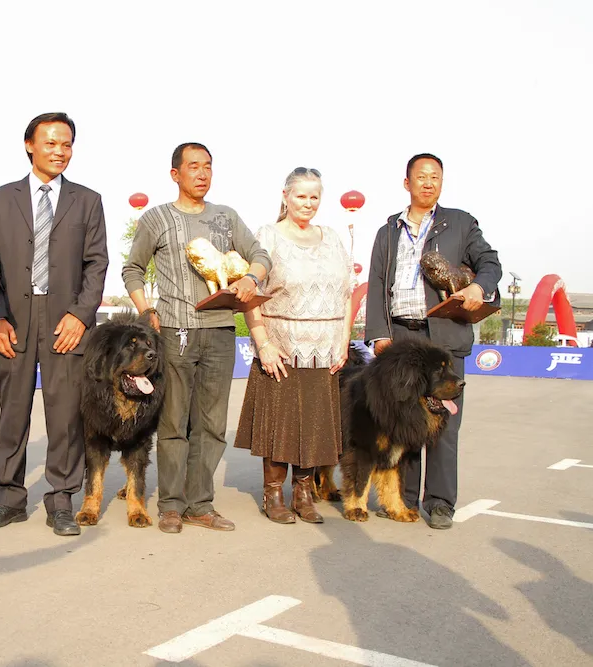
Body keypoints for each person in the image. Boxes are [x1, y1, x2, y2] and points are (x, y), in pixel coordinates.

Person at [122, 143, 271, 534]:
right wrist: (146, 310)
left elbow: (260, 254)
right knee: (174, 422)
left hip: (222, 331)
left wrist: (251, 278)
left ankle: (200, 504)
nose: (202, 174)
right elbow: (133, 269)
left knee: (211, 423)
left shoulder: (226, 217)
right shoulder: (156, 218)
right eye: (193, 167)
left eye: (207, 167)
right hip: (175, 332)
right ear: (175, 174)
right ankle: (171, 505)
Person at [0, 112, 108, 537]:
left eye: (66, 144)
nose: (59, 151)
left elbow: (96, 264)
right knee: (12, 411)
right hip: (14, 317)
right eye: (50, 142)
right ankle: (9, 499)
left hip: (64, 319)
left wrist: (80, 315)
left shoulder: (88, 200)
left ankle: (62, 500)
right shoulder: (1, 198)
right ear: (30, 145)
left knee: (65, 413)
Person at [365, 153, 501, 529]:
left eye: (435, 176)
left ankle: (440, 502)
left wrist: (478, 286)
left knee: (443, 423)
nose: (428, 182)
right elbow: (377, 284)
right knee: (403, 420)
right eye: (421, 176)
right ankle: (403, 499)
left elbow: (490, 263)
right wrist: (379, 334)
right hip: (403, 338)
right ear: (406, 183)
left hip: (442, 337)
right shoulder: (387, 231)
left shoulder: (460, 222)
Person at [233, 168, 352, 524]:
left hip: (325, 349)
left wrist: (343, 342)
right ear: (285, 196)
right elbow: (251, 296)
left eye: (315, 196)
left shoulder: (332, 238)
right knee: (280, 426)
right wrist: (264, 344)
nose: (308, 203)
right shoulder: (267, 236)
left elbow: (347, 294)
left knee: (314, 425)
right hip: (282, 347)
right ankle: (274, 495)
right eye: (301, 196)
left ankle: (303, 493)